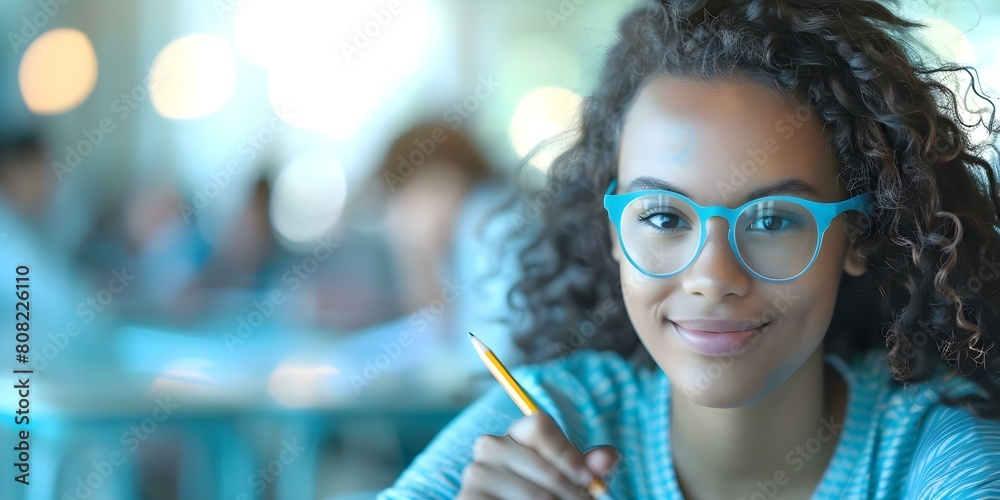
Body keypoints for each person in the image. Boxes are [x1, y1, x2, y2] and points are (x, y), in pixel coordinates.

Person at [379, 0, 1000, 498]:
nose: (712, 276)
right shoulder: (547, 424)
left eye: (773, 220)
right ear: (613, 234)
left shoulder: (931, 452)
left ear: (857, 235)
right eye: (662, 216)